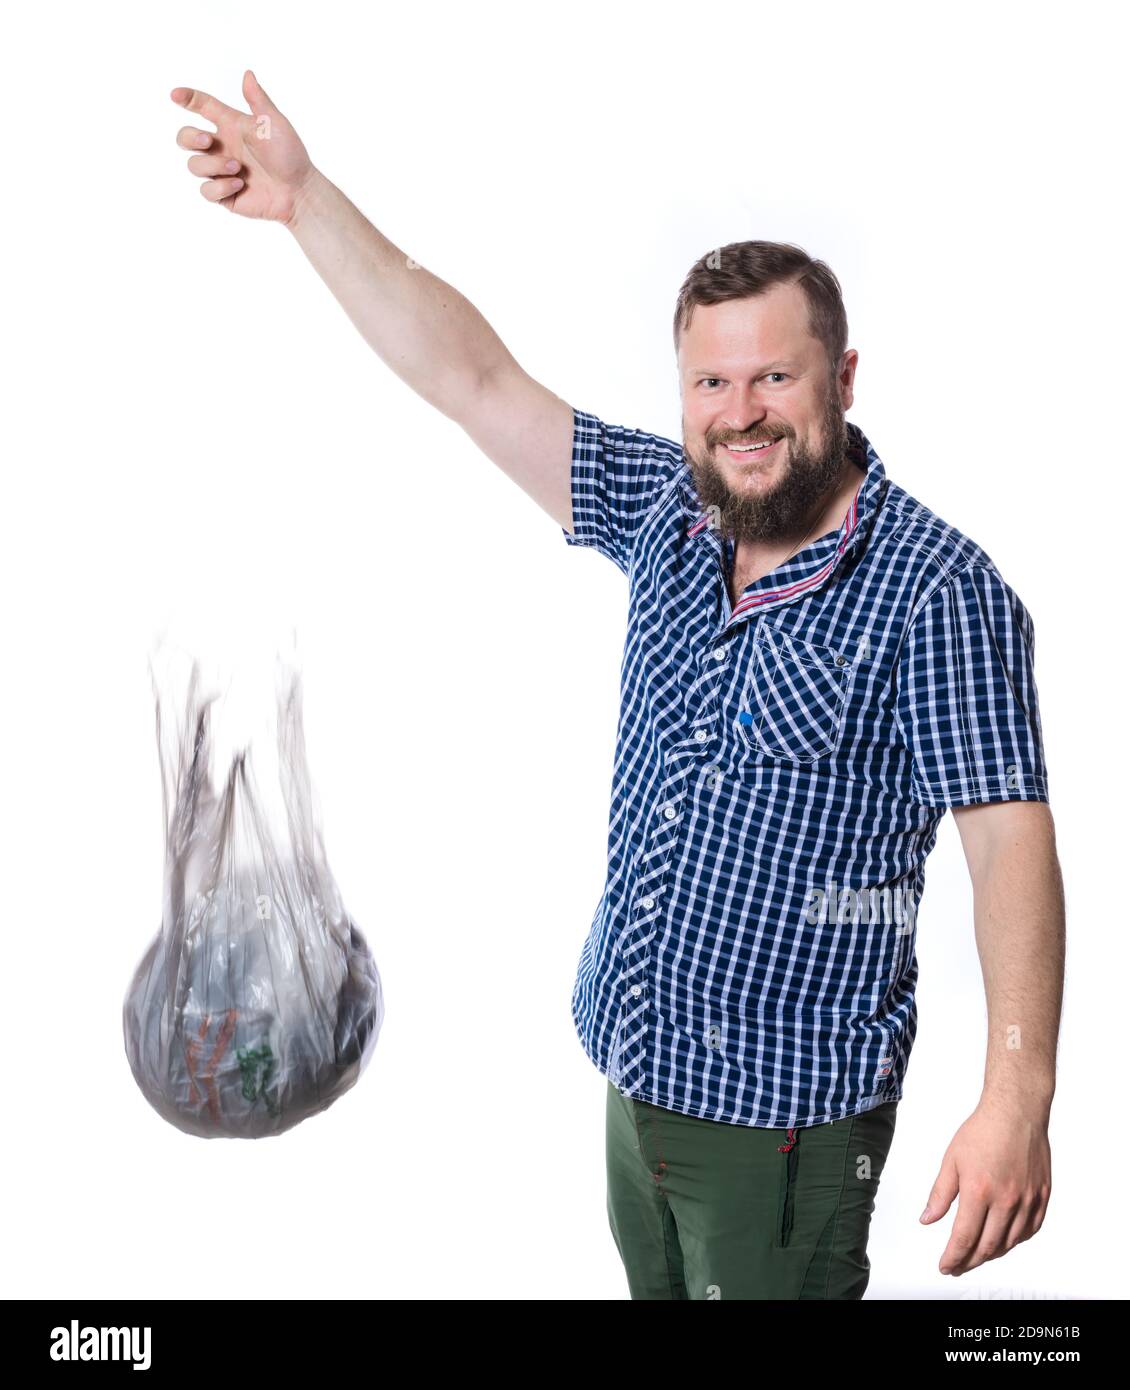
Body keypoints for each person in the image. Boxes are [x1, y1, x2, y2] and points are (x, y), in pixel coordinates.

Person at [170, 70, 1066, 1300]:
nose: (739, 414)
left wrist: (1014, 1091)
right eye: (710, 383)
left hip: (782, 1131)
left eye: (774, 379)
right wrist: (304, 200)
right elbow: (472, 379)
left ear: (841, 378)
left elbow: (1008, 843)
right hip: (631, 1084)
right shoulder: (666, 510)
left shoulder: (936, 588)